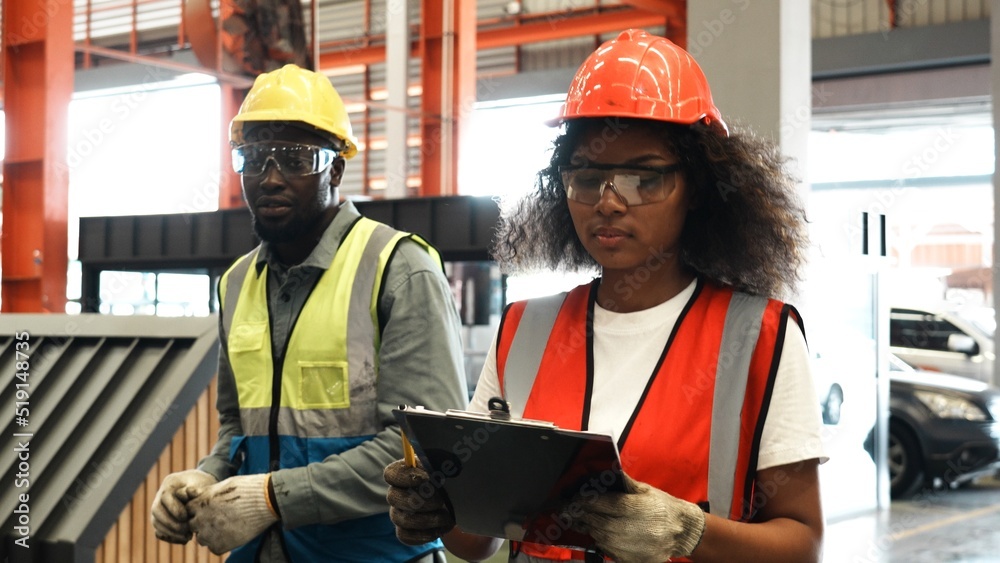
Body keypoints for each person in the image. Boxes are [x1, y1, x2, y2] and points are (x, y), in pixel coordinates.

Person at [384, 29, 826, 563]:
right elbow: (479, 540)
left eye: (643, 178)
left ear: (699, 188)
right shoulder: (525, 331)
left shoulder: (760, 336)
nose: (609, 203)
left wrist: (690, 532)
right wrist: (439, 508)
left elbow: (803, 545)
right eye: (588, 178)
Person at [150, 64, 469, 563]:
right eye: (254, 158)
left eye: (296, 159)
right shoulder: (236, 284)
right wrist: (207, 474)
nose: (271, 178)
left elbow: (425, 449)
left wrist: (274, 498)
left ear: (335, 169)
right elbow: (238, 426)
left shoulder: (398, 270)